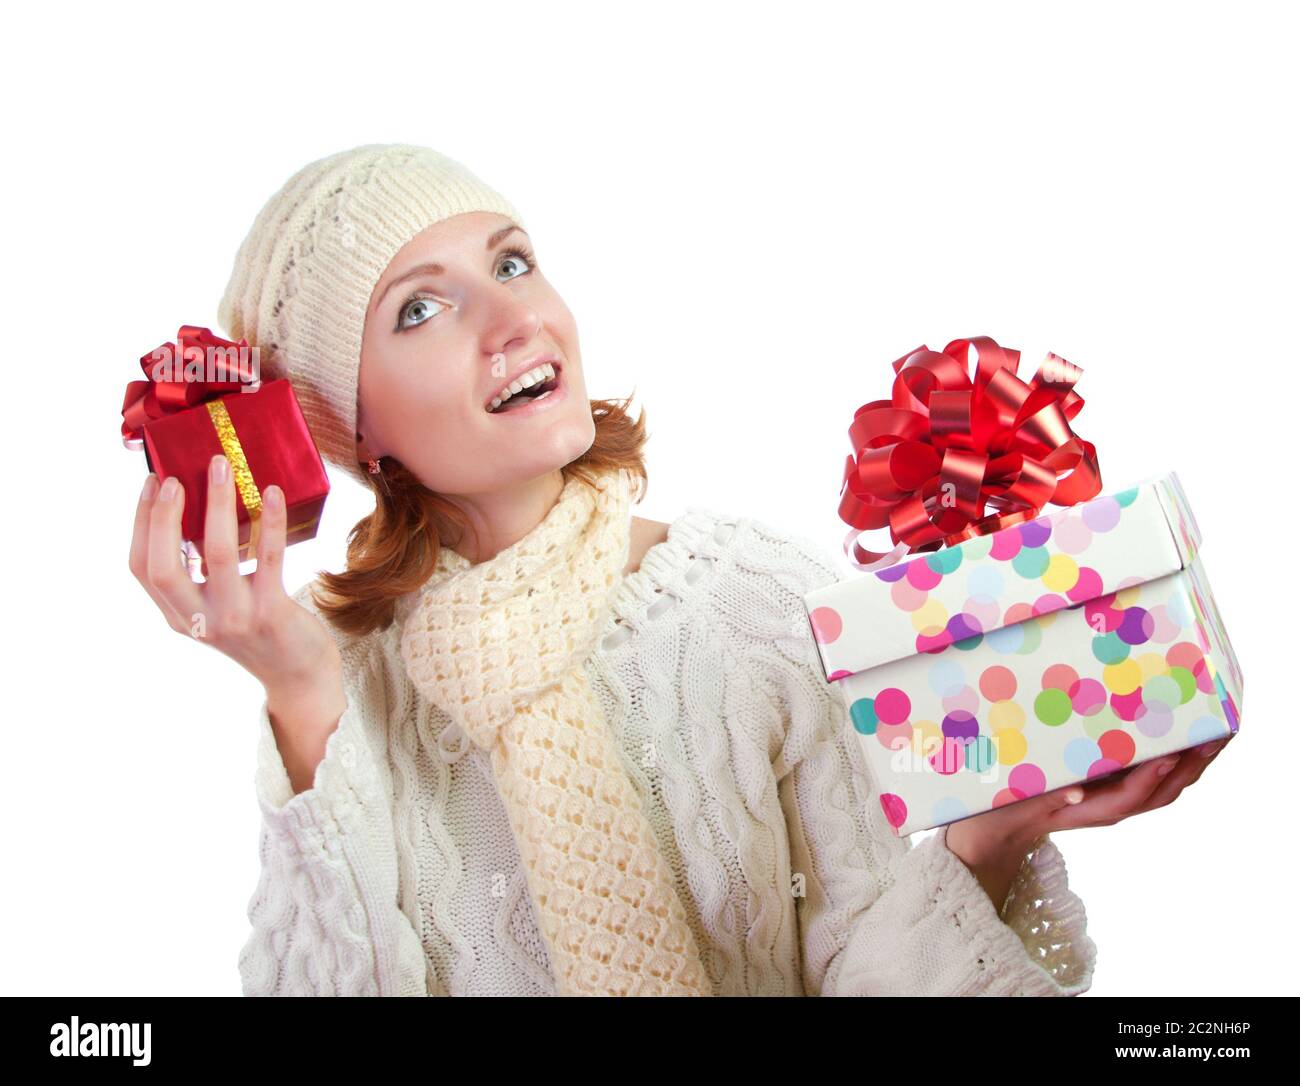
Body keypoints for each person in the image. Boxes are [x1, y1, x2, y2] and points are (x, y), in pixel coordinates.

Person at [128, 143, 1229, 997]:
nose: (511, 317)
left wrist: (990, 835)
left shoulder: (750, 604)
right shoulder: (347, 689)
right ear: (348, 423)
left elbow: (876, 974)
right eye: (421, 307)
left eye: (511, 262)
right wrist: (302, 694)